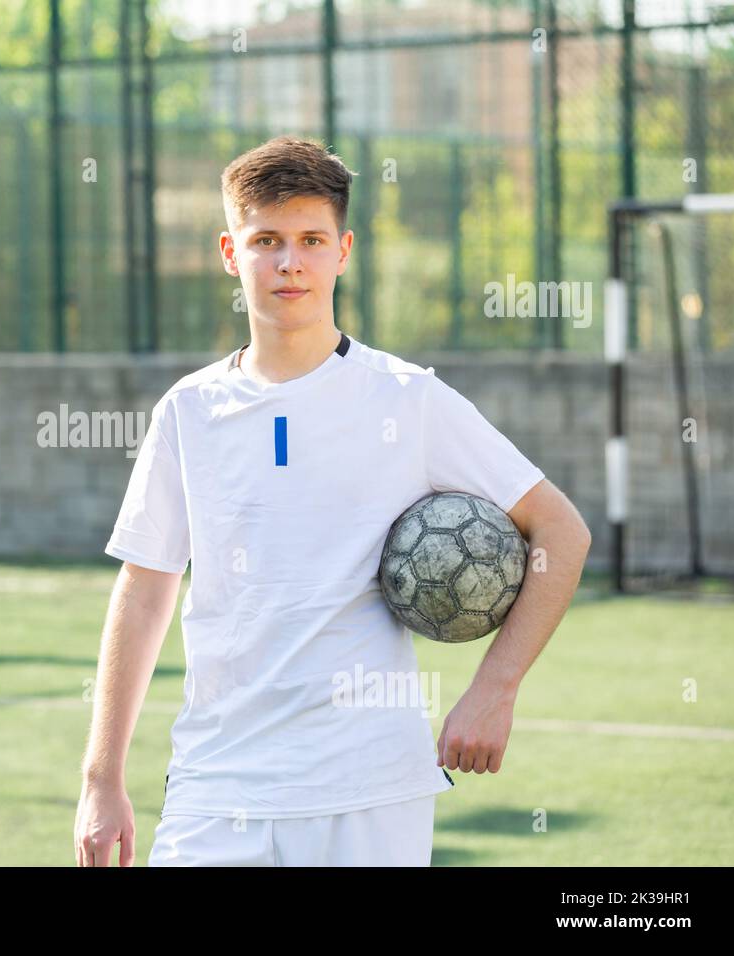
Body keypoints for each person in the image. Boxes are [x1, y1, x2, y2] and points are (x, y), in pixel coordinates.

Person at [75, 136, 592, 867]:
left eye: (311, 240)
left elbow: (561, 531)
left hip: (370, 788)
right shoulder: (189, 411)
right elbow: (145, 588)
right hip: (218, 787)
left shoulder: (408, 399)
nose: (290, 263)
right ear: (231, 252)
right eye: (267, 241)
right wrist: (102, 778)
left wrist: (494, 690)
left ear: (343, 251)